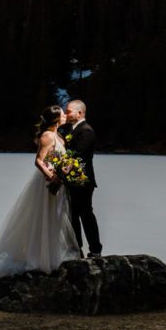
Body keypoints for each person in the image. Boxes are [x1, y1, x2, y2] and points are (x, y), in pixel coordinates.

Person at [0, 105, 82, 299]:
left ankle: (53, 256)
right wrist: (50, 176)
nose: (65, 116)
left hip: (60, 183)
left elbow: (64, 158)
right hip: (47, 184)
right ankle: (41, 260)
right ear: (55, 119)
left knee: (57, 218)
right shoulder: (47, 136)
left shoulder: (60, 136)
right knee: (42, 217)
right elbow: (39, 160)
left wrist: (67, 170)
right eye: (62, 114)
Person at [62, 99, 102, 257]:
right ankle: (77, 248)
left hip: (83, 180)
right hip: (71, 179)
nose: (67, 113)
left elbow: (78, 155)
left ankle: (95, 249)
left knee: (86, 214)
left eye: (69, 111)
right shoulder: (70, 129)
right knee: (73, 214)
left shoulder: (86, 131)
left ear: (80, 113)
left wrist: (60, 163)